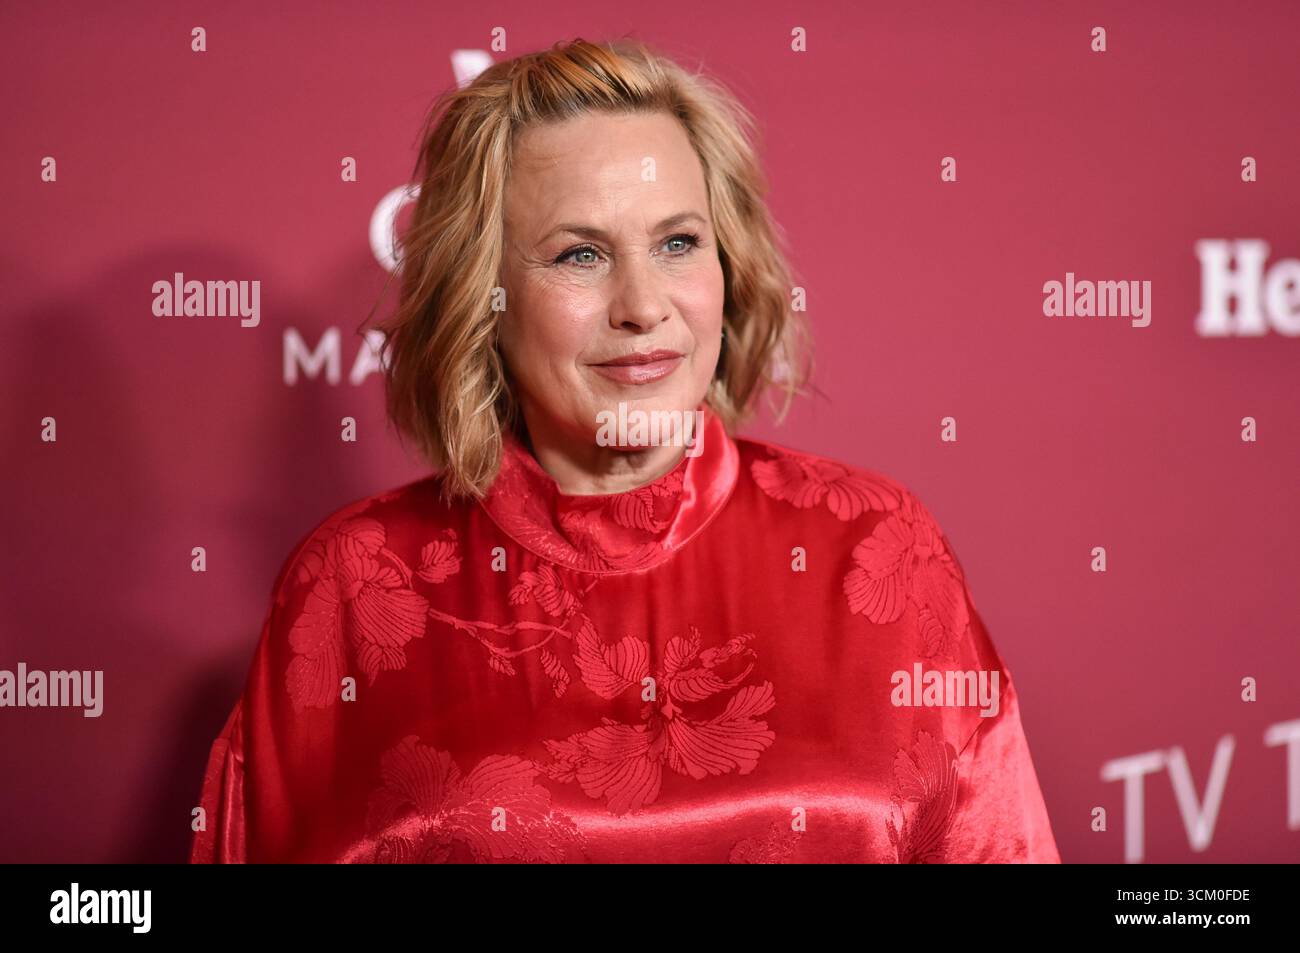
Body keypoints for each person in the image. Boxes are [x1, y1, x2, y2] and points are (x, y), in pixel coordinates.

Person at [190, 37, 1060, 863]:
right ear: (479, 297)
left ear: (728, 266)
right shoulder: (346, 585)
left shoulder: (880, 549)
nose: (643, 305)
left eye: (678, 242)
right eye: (579, 255)